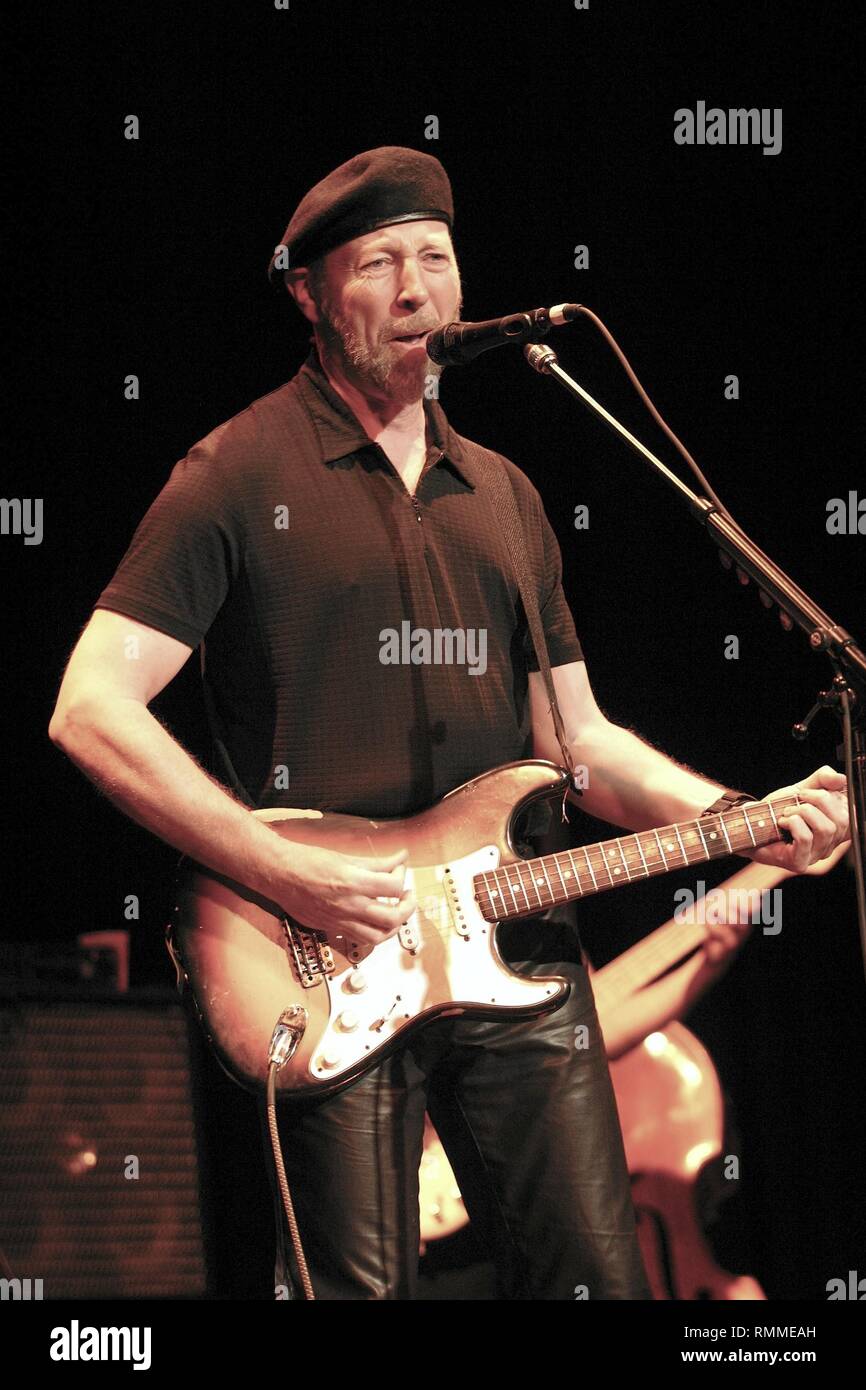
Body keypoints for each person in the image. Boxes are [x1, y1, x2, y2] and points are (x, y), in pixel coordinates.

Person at [48, 146, 850, 1301]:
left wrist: (740, 816)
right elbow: (90, 709)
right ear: (309, 294)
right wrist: (282, 868)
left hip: (515, 953)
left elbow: (578, 747)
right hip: (318, 954)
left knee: (595, 1280)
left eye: (435, 256)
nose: (417, 287)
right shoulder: (232, 471)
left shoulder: (509, 496)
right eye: (377, 263)